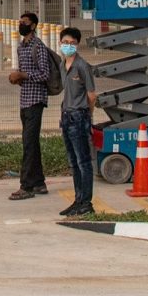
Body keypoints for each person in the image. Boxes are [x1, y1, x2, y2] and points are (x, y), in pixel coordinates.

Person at [7, 11, 51, 200]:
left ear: (33, 26)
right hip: (24, 99)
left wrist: (23, 76)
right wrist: (17, 77)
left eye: (24, 22)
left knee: (28, 144)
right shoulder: (21, 46)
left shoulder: (38, 46)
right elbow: (24, 72)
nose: (21, 25)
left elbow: (44, 74)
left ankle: (26, 186)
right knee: (31, 143)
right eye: (20, 22)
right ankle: (39, 182)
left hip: (35, 100)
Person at [55, 27, 99, 216]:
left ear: (77, 44)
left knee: (84, 162)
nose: (68, 46)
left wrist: (87, 115)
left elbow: (91, 95)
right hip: (66, 116)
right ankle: (78, 199)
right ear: (60, 43)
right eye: (65, 43)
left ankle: (86, 203)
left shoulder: (82, 66)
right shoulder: (63, 64)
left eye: (72, 43)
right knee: (73, 162)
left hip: (79, 117)